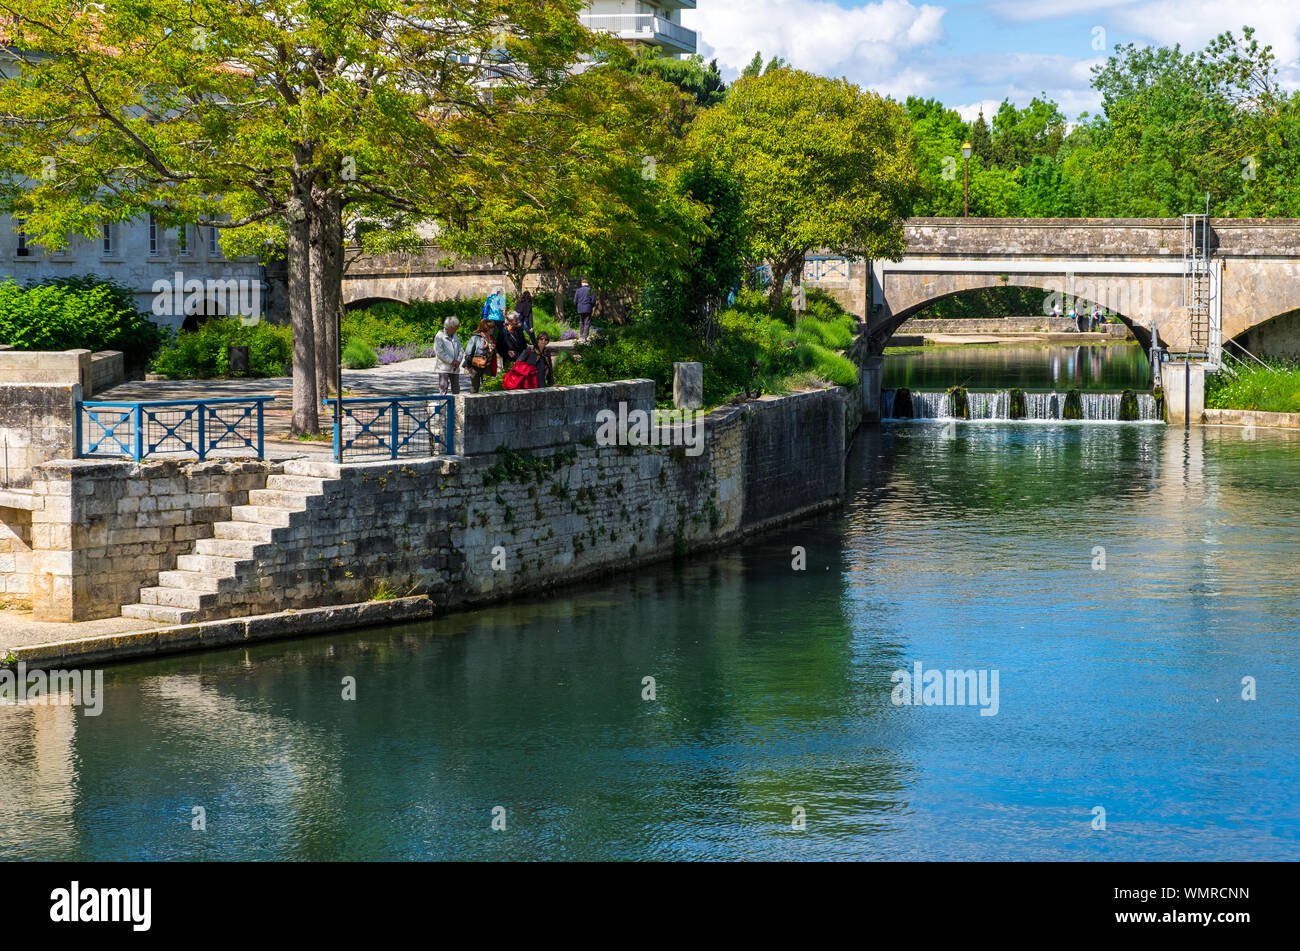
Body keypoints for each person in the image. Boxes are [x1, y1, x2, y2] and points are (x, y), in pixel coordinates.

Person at [463, 319, 498, 393]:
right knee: (475, 387)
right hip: (475, 366)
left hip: (487, 366)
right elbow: (468, 352)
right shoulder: (475, 337)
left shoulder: (491, 338)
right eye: (491, 327)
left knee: (488, 387)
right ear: (486, 328)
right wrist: (469, 367)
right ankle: (472, 404)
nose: (493, 329)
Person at [432, 316, 464, 395]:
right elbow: (439, 352)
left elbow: (461, 350)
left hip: (455, 367)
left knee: (456, 388)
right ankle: (442, 406)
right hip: (443, 367)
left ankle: (456, 406)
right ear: (450, 327)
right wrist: (451, 361)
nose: (457, 328)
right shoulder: (439, 336)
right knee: (443, 387)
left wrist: (458, 361)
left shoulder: (456, 336)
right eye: (456, 327)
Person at [574, 278, 594, 342]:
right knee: (587, 322)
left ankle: (581, 336)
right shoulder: (591, 290)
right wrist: (591, 305)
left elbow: (575, 301)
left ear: (582, 284)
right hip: (588, 308)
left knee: (581, 322)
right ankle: (585, 337)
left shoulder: (578, 290)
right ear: (587, 284)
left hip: (580, 308)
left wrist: (578, 305)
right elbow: (593, 301)